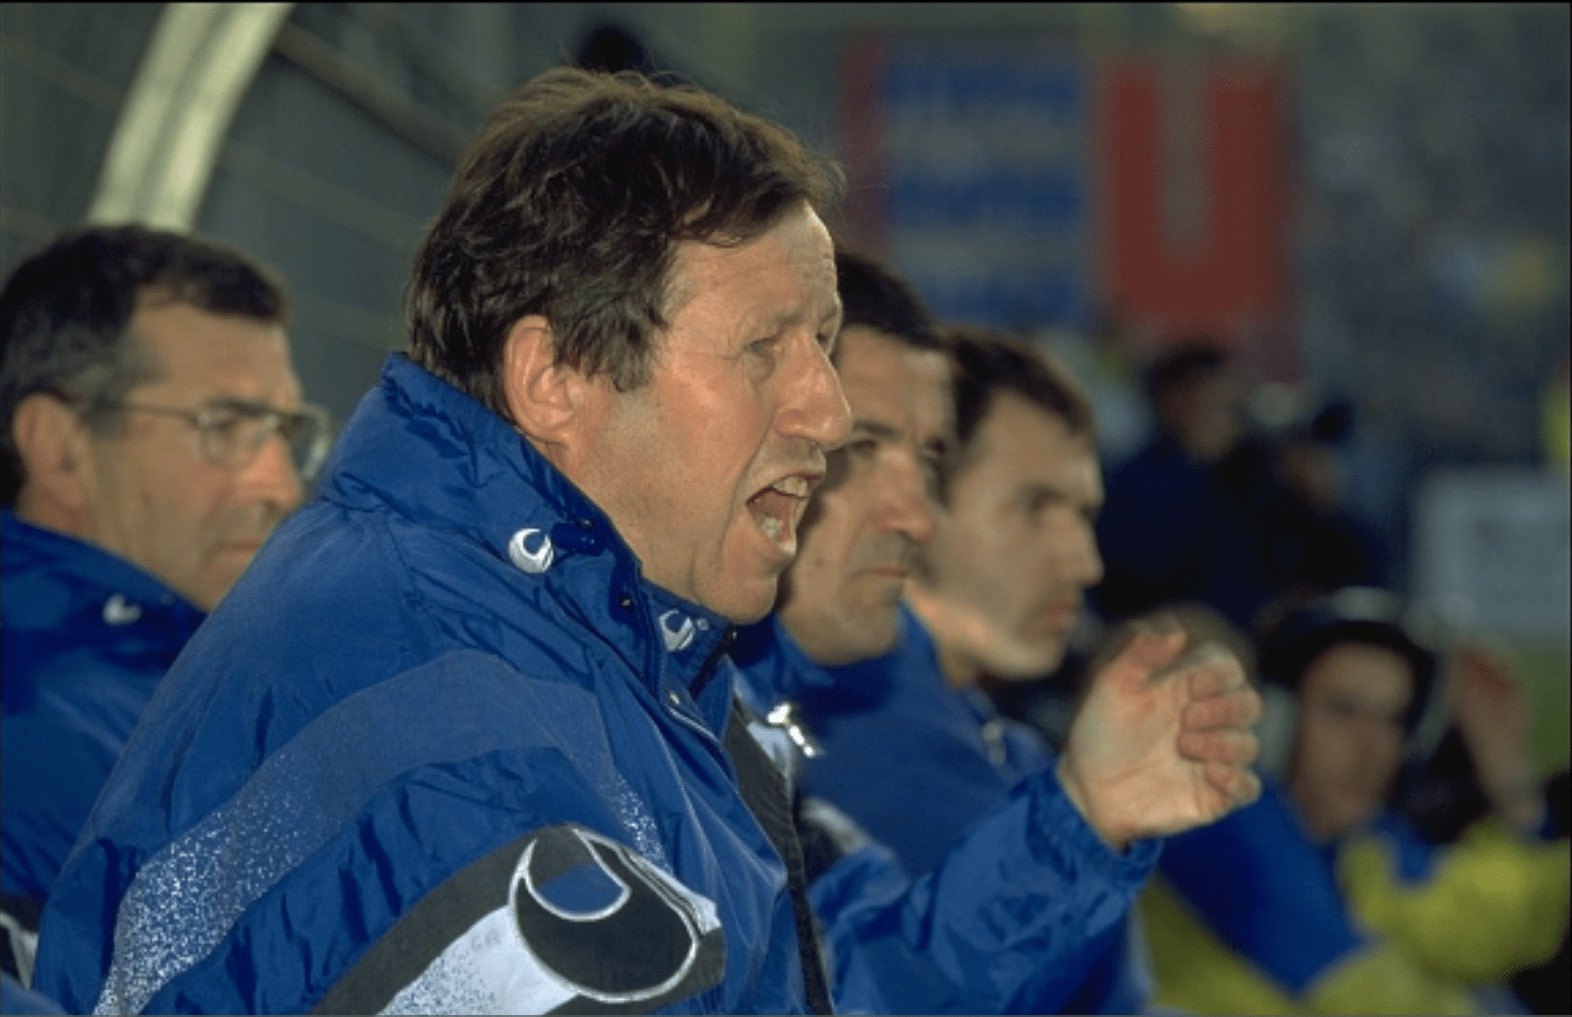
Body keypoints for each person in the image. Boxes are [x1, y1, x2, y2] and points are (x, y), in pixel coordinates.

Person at [34, 67, 852, 1015]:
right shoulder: (442, 702)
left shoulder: (588, 649)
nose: (830, 413)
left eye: (825, 343)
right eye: (765, 347)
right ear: (553, 377)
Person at [736, 300, 1264, 1013]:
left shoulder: (1010, 748)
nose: (1084, 562)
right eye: (1035, 507)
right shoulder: (823, 736)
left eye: (1082, 513)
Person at [0, 225, 325, 986]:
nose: (280, 486)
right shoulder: (38, 731)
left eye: (285, 432)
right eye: (224, 426)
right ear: (59, 444)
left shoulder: (216, 685)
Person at [1141, 587, 1570, 1014]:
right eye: (1343, 711)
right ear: (1276, 721)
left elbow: (1484, 926)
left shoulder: (1365, 845)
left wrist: (1510, 777)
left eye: (1393, 721)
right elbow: (1364, 996)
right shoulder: (1221, 817)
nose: (1372, 748)